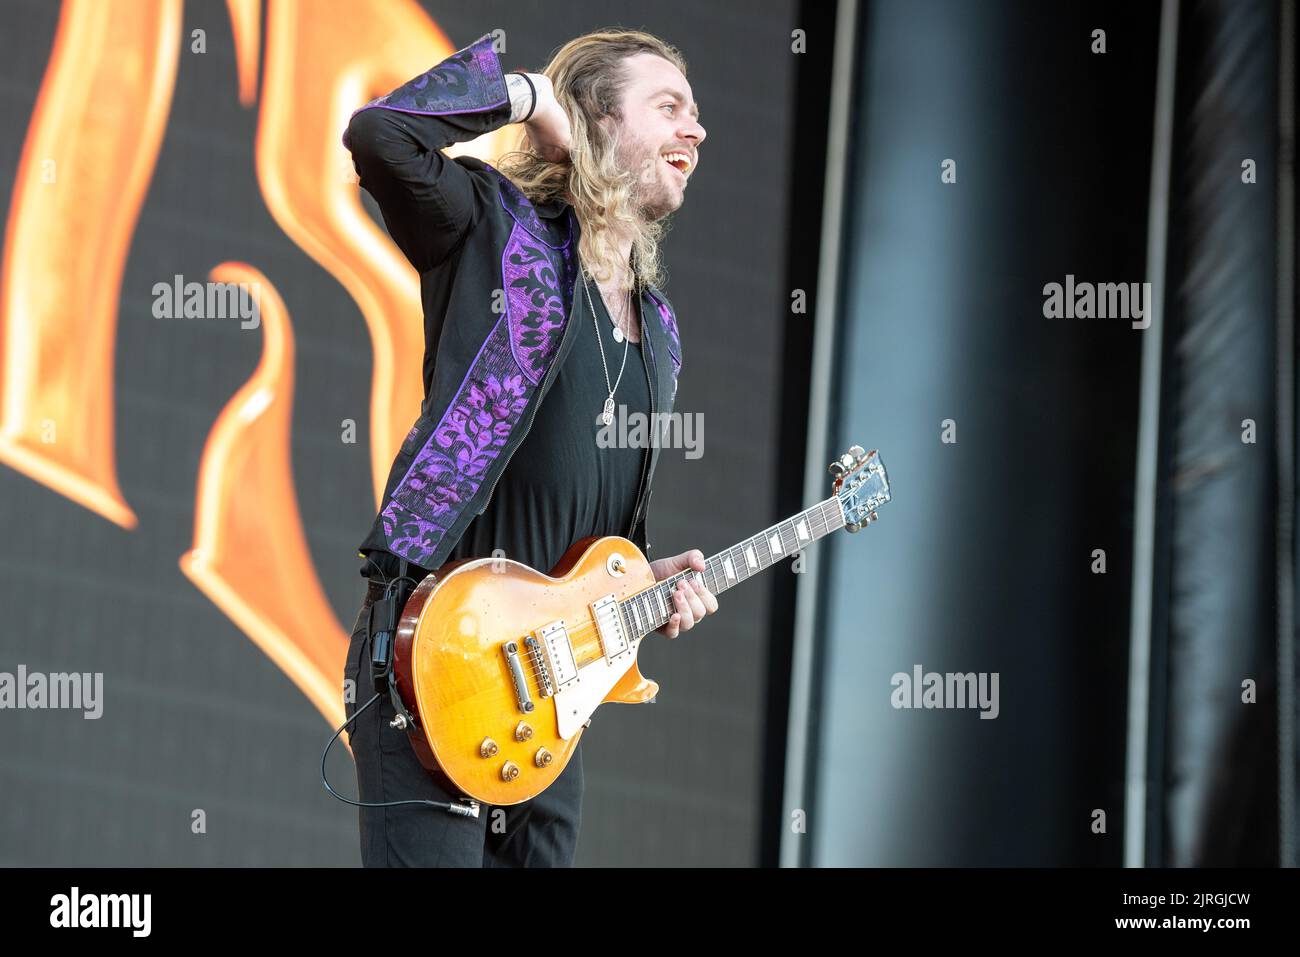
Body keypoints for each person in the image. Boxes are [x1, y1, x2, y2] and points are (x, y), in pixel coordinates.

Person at [339, 28, 717, 867]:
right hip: (433, 655)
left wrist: (643, 583)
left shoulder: (658, 330)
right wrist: (528, 97)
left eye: (694, 114)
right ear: (595, 118)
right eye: (668, 107)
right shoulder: (494, 229)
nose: (695, 129)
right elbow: (379, 134)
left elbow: (588, 528)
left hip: (547, 698)